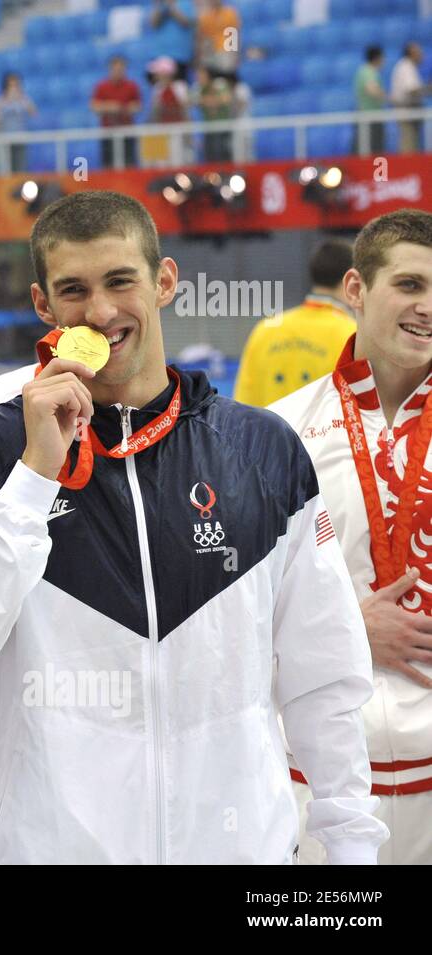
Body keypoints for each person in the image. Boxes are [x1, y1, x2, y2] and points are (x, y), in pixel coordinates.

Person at [0, 190, 388, 864]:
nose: (100, 311)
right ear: (44, 305)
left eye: (120, 281)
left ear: (163, 282)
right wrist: (36, 474)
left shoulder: (264, 451)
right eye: (74, 289)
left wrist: (353, 847)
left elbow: (324, 675)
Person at [269, 210, 432, 864]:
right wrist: (345, 624)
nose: (428, 308)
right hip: (321, 773)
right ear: (356, 290)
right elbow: (246, 602)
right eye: (411, 285)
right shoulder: (279, 433)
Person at [234, 237, 356, 407]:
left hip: (266, 432)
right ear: (351, 280)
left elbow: (242, 404)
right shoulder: (352, 335)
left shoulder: (266, 329)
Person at [91, 55, 142, 169]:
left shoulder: (131, 86)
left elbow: (138, 106)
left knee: (129, 163)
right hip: (108, 131)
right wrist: (109, 107)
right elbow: (94, 107)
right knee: (109, 164)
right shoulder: (102, 87)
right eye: (116, 69)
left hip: (127, 130)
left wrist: (128, 108)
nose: (118, 72)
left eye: (121, 69)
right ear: (110, 69)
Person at [391, 43, 428, 154]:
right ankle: (406, 170)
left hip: (410, 110)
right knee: (408, 144)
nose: (422, 55)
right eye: (419, 53)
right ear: (412, 54)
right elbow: (411, 89)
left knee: (412, 143)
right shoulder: (406, 67)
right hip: (406, 110)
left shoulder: (408, 66)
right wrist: (428, 89)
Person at [0, 73, 37, 173]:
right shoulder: (1, 99)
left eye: (16, 85)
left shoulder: (24, 98)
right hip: (6, 139)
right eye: (11, 85)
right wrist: (8, 100)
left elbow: (33, 113)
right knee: (7, 168)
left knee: (21, 167)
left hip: (21, 137)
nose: (14, 88)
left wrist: (20, 99)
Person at [195, 64, 234, 162]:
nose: (198, 77)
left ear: (208, 74)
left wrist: (209, 101)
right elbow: (193, 101)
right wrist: (210, 101)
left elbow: (226, 99)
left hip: (223, 126)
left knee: (223, 153)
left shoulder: (219, 83)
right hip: (208, 127)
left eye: (201, 74)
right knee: (210, 154)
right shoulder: (199, 88)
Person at [354, 46, 388, 156]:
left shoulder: (366, 71)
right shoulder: (368, 72)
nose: (384, 61)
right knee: (370, 149)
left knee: (372, 148)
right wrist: (390, 98)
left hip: (371, 115)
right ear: (377, 58)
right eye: (383, 58)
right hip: (369, 117)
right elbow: (372, 90)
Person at [148, 0, 196, 76]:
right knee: (159, 85)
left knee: (178, 85)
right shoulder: (159, 4)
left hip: (179, 55)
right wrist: (157, 7)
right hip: (159, 53)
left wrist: (171, 6)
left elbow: (186, 22)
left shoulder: (186, 3)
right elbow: (153, 24)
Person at [196, 0, 240, 75]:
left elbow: (234, 35)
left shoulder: (230, 13)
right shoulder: (206, 16)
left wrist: (235, 54)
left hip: (225, 51)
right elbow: (201, 37)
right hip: (210, 51)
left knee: (225, 75)